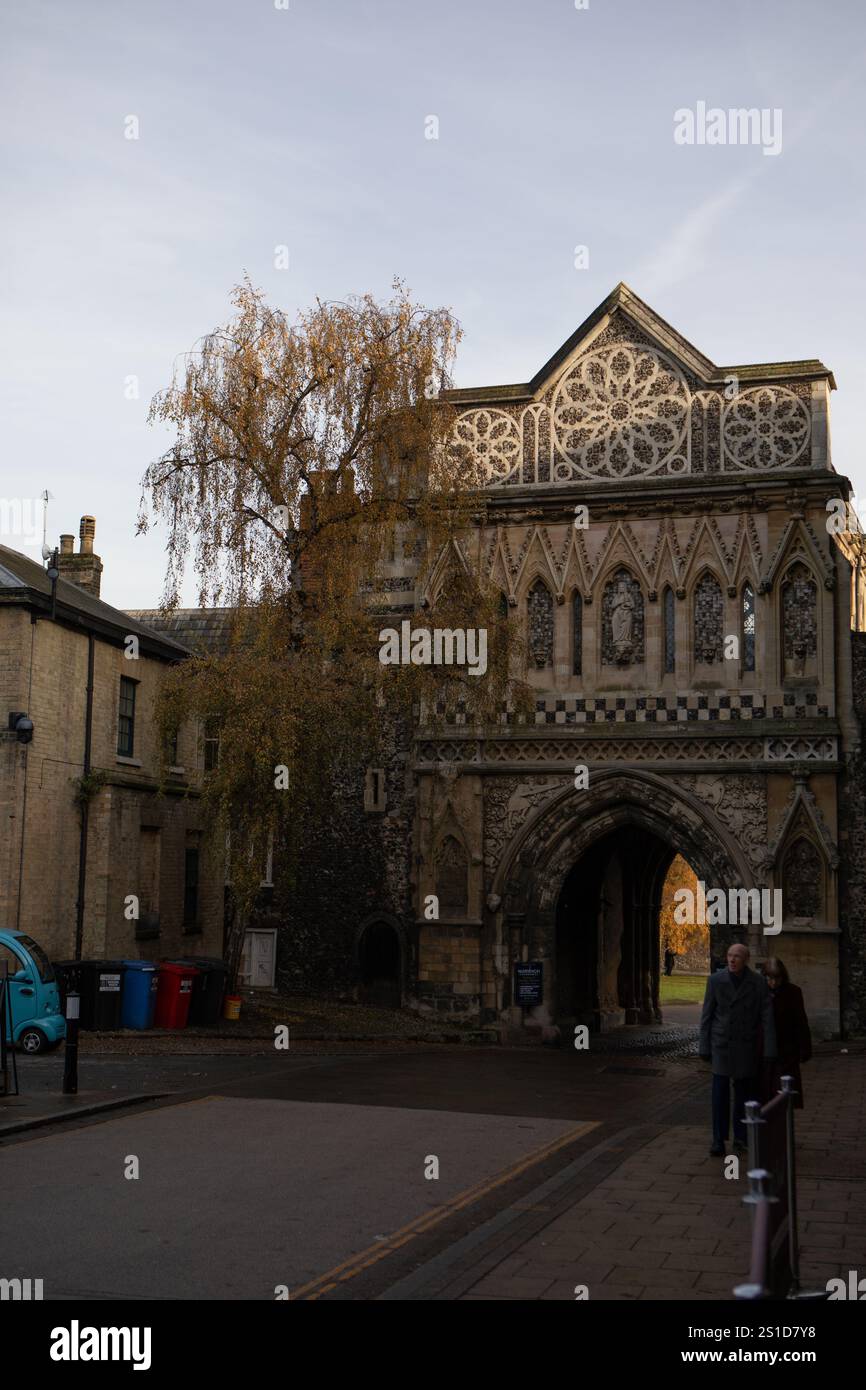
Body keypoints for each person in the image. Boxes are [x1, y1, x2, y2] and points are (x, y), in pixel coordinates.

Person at [699, 942, 776, 1157]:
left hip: (746, 1045)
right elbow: (706, 1016)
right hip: (722, 1044)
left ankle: (741, 1137)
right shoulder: (715, 981)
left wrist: (769, 1050)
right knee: (719, 1095)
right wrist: (704, 1046)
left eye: (737, 956)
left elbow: (767, 1018)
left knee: (744, 1094)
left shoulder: (758, 983)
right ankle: (718, 1139)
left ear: (746, 959)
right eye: (730, 955)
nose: (732, 960)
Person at [759, 957, 811, 1108]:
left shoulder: (793, 992)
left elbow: (800, 1022)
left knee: (786, 1091)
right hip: (766, 1050)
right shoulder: (760, 992)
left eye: (777, 978)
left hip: (787, 1050)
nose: (773, 983)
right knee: (767, 1094)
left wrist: (804, 1049)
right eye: (769, 978)